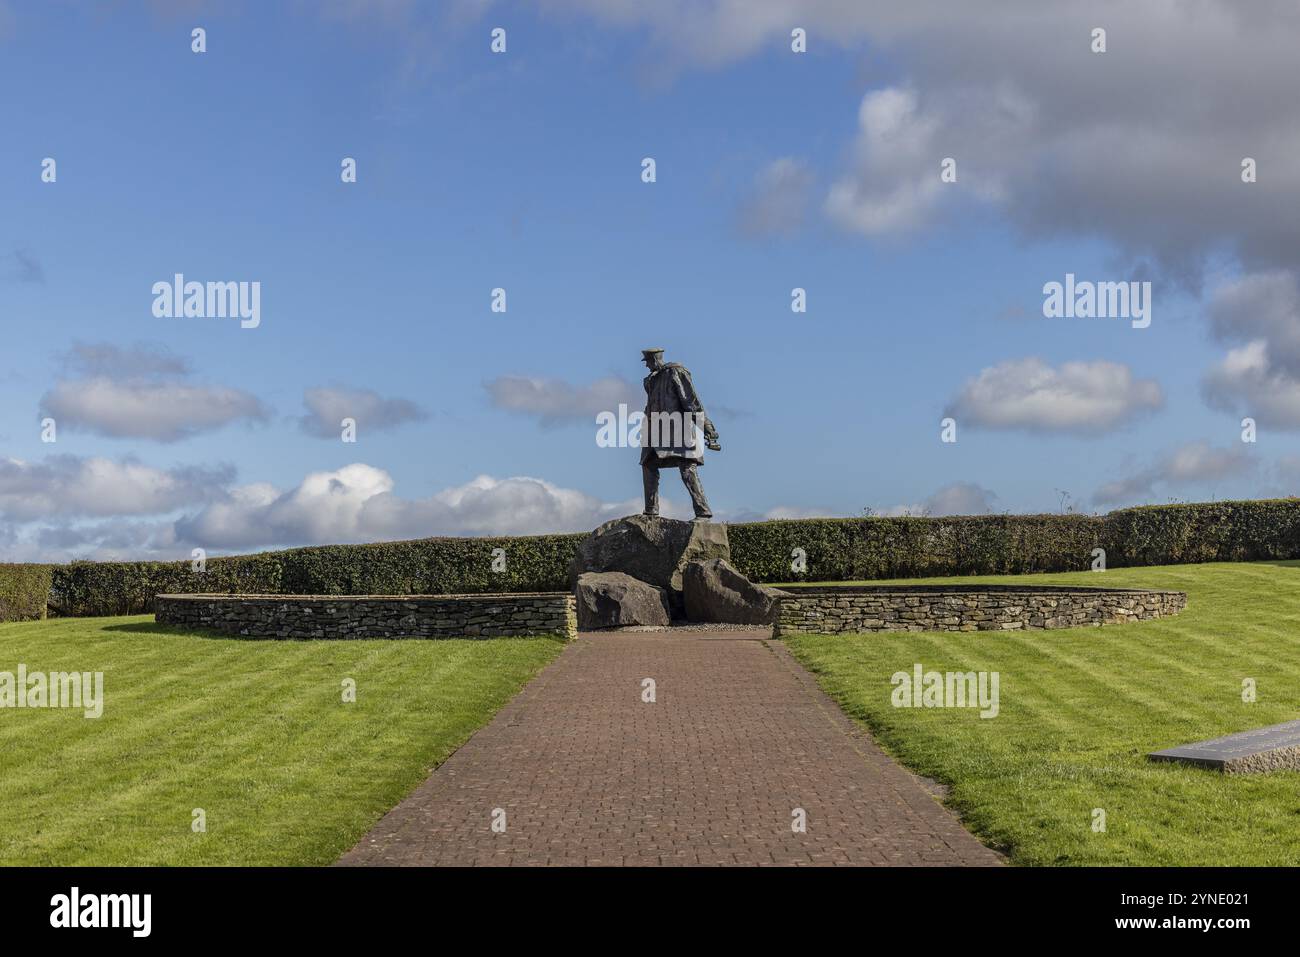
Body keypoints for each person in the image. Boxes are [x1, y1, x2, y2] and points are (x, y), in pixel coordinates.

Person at [639, 348, 720, 520]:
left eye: (647, 361)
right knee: (647, 464)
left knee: (687, 469)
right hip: (656, 431)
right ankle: (651, 511)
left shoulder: (675, 372)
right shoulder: (651, 381)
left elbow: (691, 402)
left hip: (678, 429)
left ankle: (703, 511)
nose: (646, 365)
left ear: (654, 358)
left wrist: (706, 427)